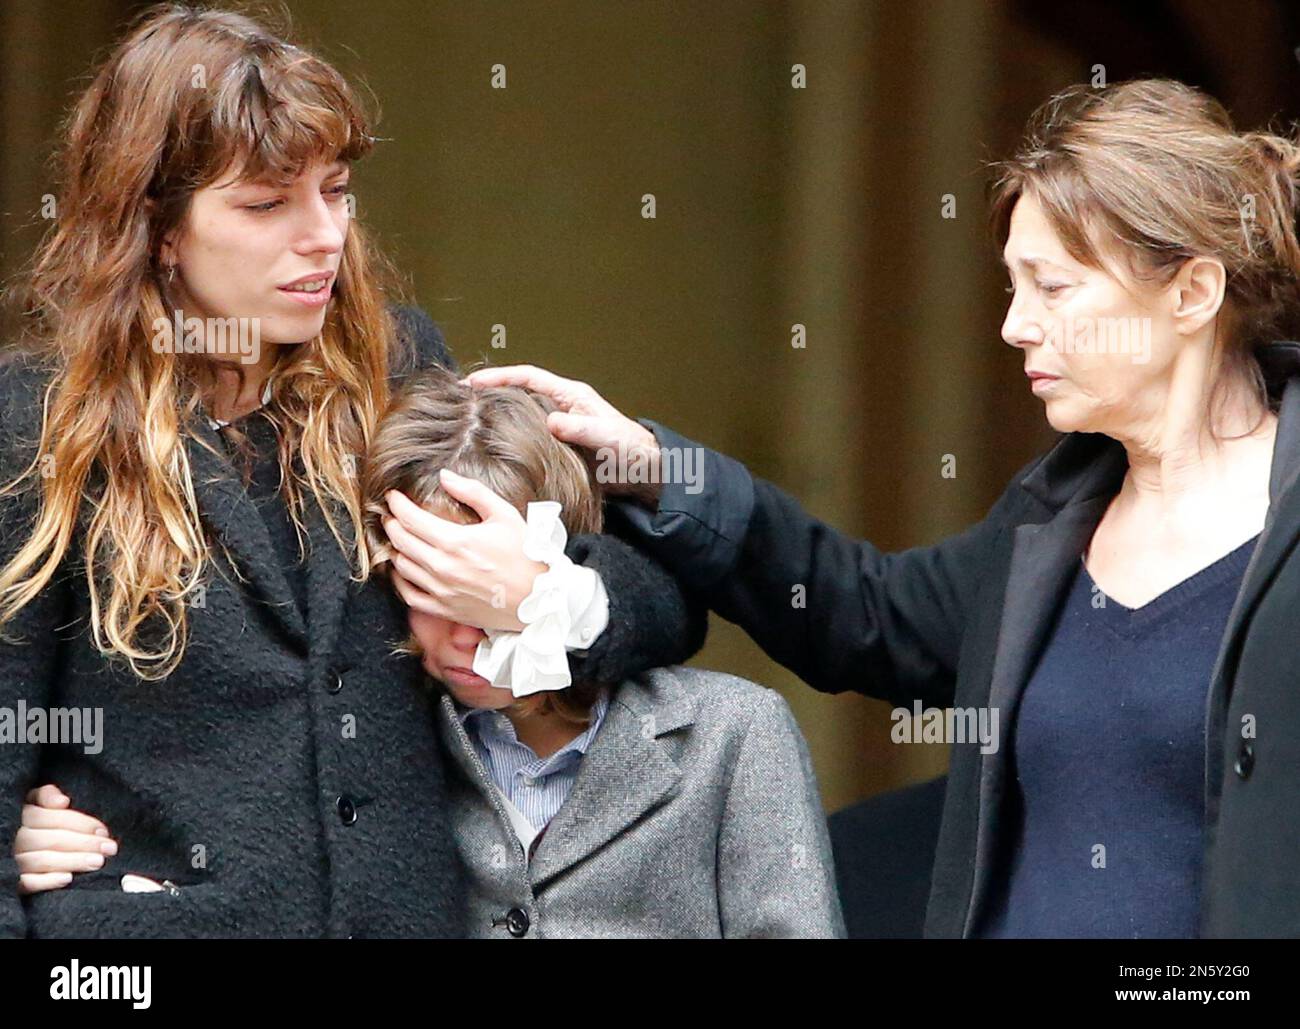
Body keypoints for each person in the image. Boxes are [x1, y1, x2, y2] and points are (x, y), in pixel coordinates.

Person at [421, 79, 1300, 938]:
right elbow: (862, 609)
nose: (1015, 326)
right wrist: (655, 468)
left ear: (1192, 293)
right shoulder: (1049, 520)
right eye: (1012, 288)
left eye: (1054, 288)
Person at [0, 4, 701, 938]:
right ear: (157, 227)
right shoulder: (39, 421)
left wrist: (544, 596)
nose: (323, 235)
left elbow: (665, 604)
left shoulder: (398, 368)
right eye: (266, 204)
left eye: (335, 191)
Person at [20, 369, 846, 939]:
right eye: (425, 594)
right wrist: (66, 834)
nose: (459, 636)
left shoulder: (734, 738)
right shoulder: (390, 742)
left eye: (485, 592)